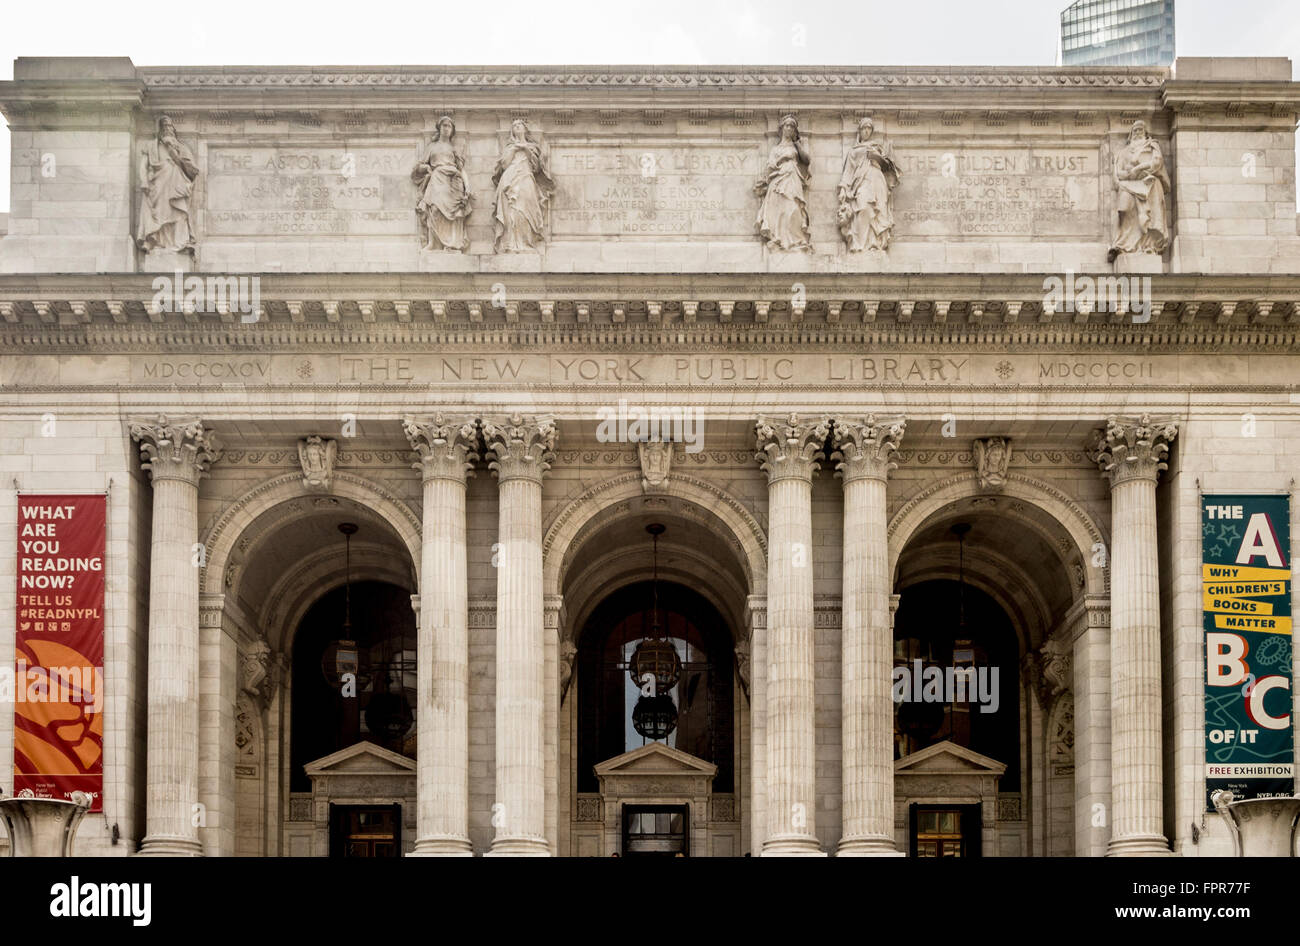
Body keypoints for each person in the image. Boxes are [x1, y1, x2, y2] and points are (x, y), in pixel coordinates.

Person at [1108, 119, 1169, 261]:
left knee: (1150, 199)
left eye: (1140, 130)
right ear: (1131, 134)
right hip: (1129, 183)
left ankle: (1147, 245)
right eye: (1135, 130)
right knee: (1123, 210)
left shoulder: (1152, 145)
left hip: (1148, 183)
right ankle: (1123, 244)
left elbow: (1156, 163)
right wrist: (1129, 173)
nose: (1137, 132)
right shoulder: (1123, 152)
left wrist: (1140, 168)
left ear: (1145, 132)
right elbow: (1118, 173)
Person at [137, 116, 199, 254]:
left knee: (179, 212)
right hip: (157, 185)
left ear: (173, 129)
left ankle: (180, 242)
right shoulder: (151, 146)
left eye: (169, 126)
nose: (166, 128)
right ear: (160, 129)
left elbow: (192, 170)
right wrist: (144, 181)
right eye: (163, 126)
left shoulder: (181, 147)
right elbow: (143, 166)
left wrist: (174, 153)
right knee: (158, 215)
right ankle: (157, 242)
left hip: (177, 184)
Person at [837, 116, 900, 251]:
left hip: (877, 179)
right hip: (862, 181)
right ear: (859, 131)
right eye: (864, 128)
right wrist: (843, 189)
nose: (867, 131)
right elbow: (848, 172)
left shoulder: (876, 147)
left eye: (869, 128)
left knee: (879, 210)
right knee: (864, 208)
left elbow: (888, 166)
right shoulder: (853, 151)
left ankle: (874, 244)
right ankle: (860, 245)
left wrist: (878, 158)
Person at [492, 119, 555, 253]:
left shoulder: (532, 147)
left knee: (526, 208)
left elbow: (536, 167)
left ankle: (526, 242)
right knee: (511, 210)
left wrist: (526, 149)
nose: (516, 127)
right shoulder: (509, 147)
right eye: (514, 125)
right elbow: (504, 165)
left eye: (519, 125)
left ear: (525, 129)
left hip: (526, 176)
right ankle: (511, 243)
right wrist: (514, 149)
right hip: (509, 179)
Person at [412, 116, 472, 252]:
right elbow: (419, 166)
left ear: (452, 130)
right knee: (434, 209)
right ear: (439, 128)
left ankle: (451, 243)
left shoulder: (453, 149)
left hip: (453, 181)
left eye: (449, 126)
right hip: (437, 178)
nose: (446, 128)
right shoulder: (432, 147)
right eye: (444, 125)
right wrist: (426, 168)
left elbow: (461, 169)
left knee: (454, 213)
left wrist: (467, 186)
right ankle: (433, 244)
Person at [754, 115, 811, 251]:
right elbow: (770, 167)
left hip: (792, 177)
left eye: (792, 126)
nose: (789, 128)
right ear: (782, 128)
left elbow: (807, 160)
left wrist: (797, 144)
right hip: (778, 180)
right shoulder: (775, 149)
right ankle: (778, 239)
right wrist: (783, 158)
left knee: (793, 207)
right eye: (787, 125)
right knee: (778, 209)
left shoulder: (796, 146)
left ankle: (795, 239)